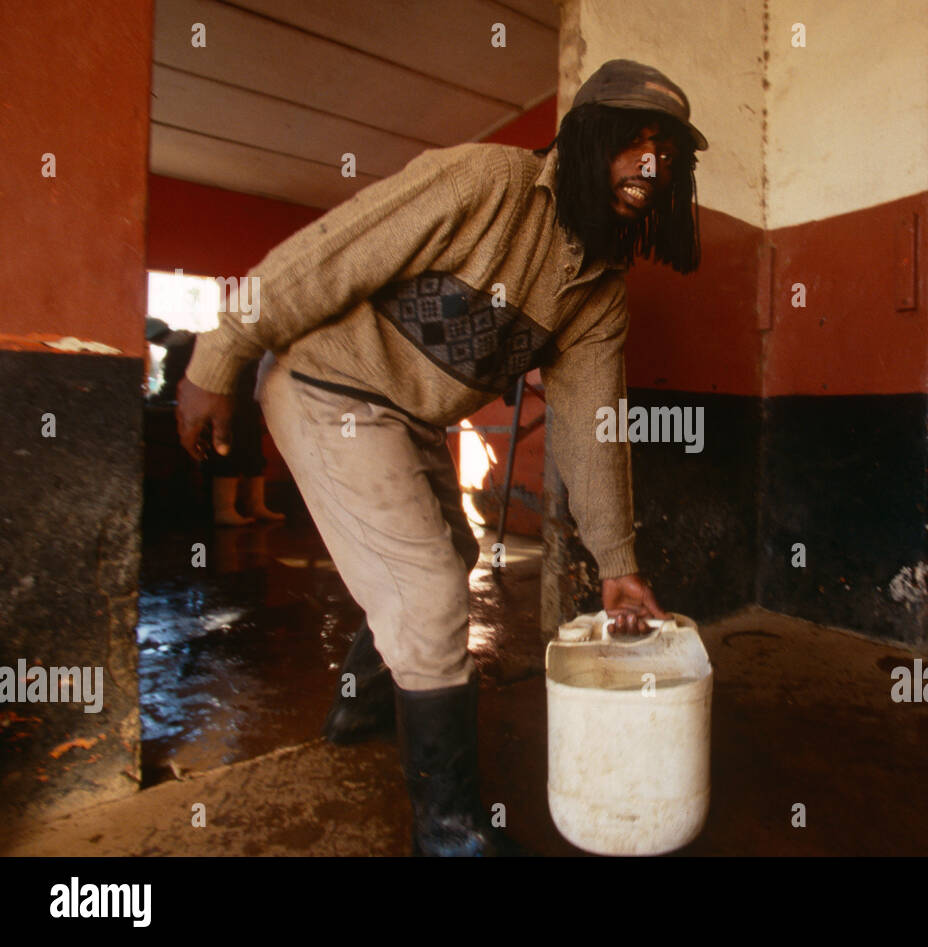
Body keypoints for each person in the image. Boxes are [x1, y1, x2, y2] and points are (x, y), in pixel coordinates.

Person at [175, 60, 707, 856]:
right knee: (426, 595)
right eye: (634, 139)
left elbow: (592, 426)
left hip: (410, 417)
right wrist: (217, 357)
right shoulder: (484, 180)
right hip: (327, 386)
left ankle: (360, 706)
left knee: (448, 554)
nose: (651, 165)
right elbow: (332, 252)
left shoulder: (600, 288)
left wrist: (617, 561)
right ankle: (451, 832)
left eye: (667, 150)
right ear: (589, 138)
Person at [147, 317, 283, 525]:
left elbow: (175, 382)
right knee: (239, 452)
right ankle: (240, 507)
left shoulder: (183, 347)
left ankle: (237, 508)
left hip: (237, 402)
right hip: (238, 402)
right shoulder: (204, 343)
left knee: (238, 452)